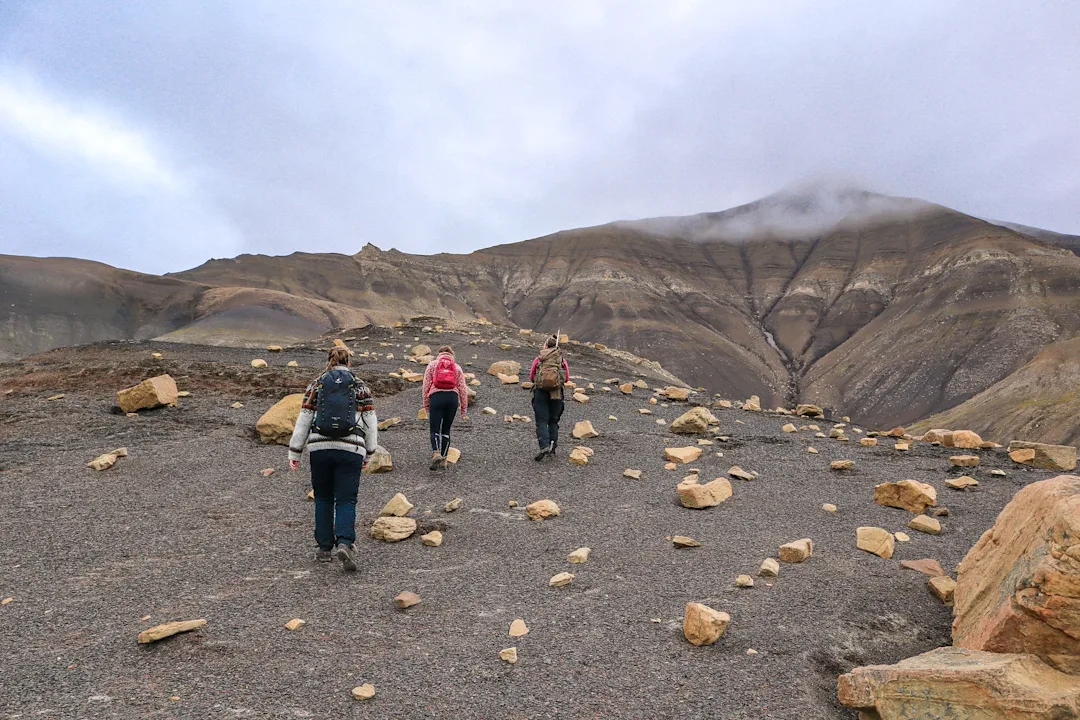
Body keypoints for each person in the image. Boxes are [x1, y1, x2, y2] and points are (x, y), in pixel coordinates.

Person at [288, 345, 378, 571]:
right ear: (349, 362)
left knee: (323, 497)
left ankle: (324, 548)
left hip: (320, 448)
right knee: (346, 499)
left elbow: (304, 418)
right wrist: (370, 451)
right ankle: (345, 543)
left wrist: (295, 451)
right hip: (351, 449)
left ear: (329, 360)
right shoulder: (360, 385)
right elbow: (370, 421)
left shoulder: (316, 384)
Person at [422, 345, 469, 470]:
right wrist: (463, 408)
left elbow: (426, 385)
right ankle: (444, 459)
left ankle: (436, 452)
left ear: (439, 354)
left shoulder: (433, 365)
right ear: (451, 354)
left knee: (435, 429)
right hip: (452, 398)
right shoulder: (457, 367)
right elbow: (463, 389)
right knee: (446, 430)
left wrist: (426, 404)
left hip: (436, 397)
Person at [528, 334, 570, 461]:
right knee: (553, 421)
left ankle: (544, 446)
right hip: (557, 394)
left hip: (540, 393)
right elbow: (566, 378)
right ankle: (553, 446)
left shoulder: (539, 359)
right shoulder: (561, 361)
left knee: (541, 421)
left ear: (545, 346)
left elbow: (531, 376)